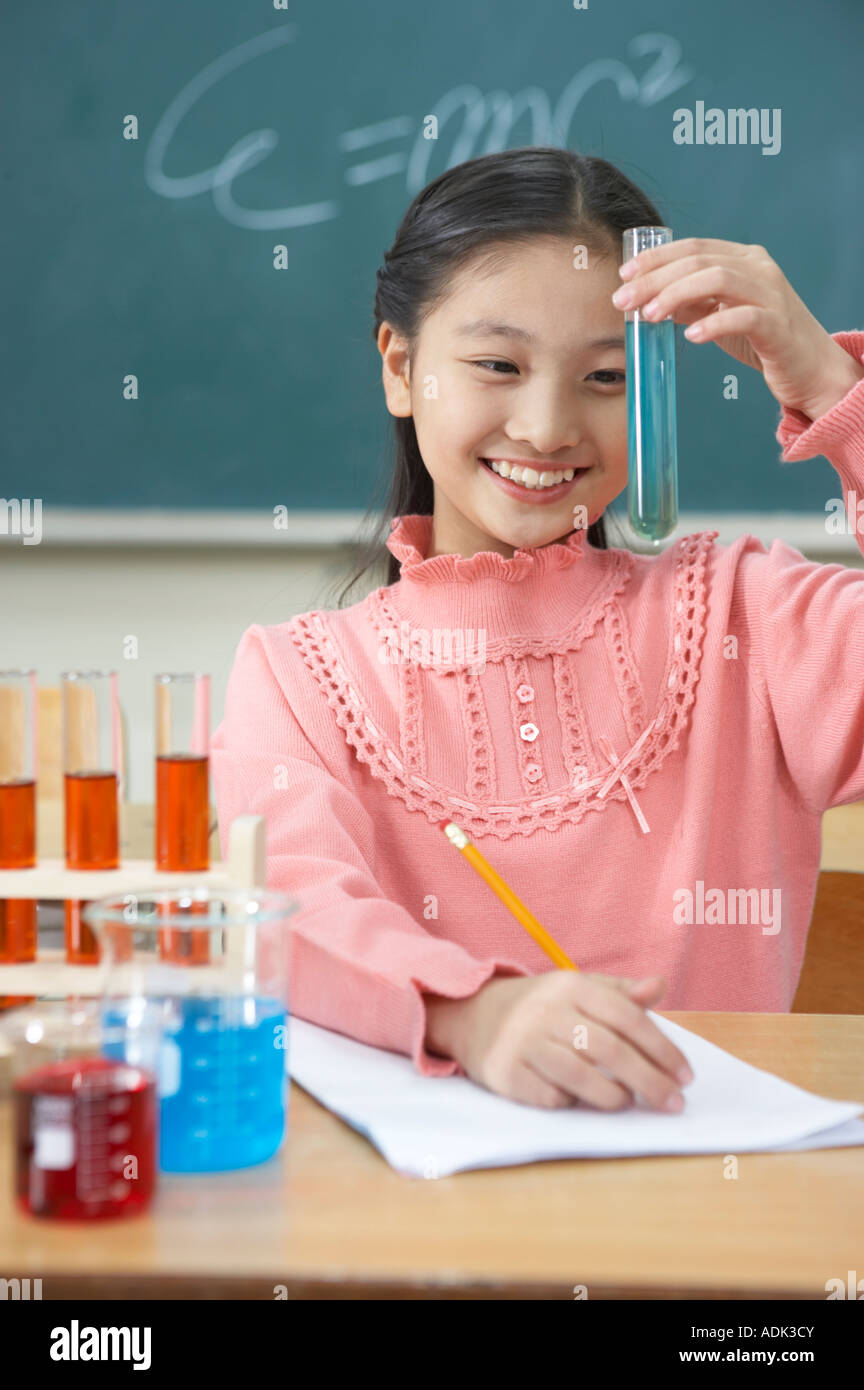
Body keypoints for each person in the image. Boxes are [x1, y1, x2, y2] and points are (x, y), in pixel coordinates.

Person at [211, 147, 864, 1112]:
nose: (549, 425)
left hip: (712, 1225)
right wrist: (473, 1017)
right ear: (401, 366)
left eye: (605, 377)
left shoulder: (747, 618)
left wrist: (831, 389)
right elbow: (282, 908)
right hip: (421, 1225)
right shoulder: (298, 679)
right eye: (497, 365)